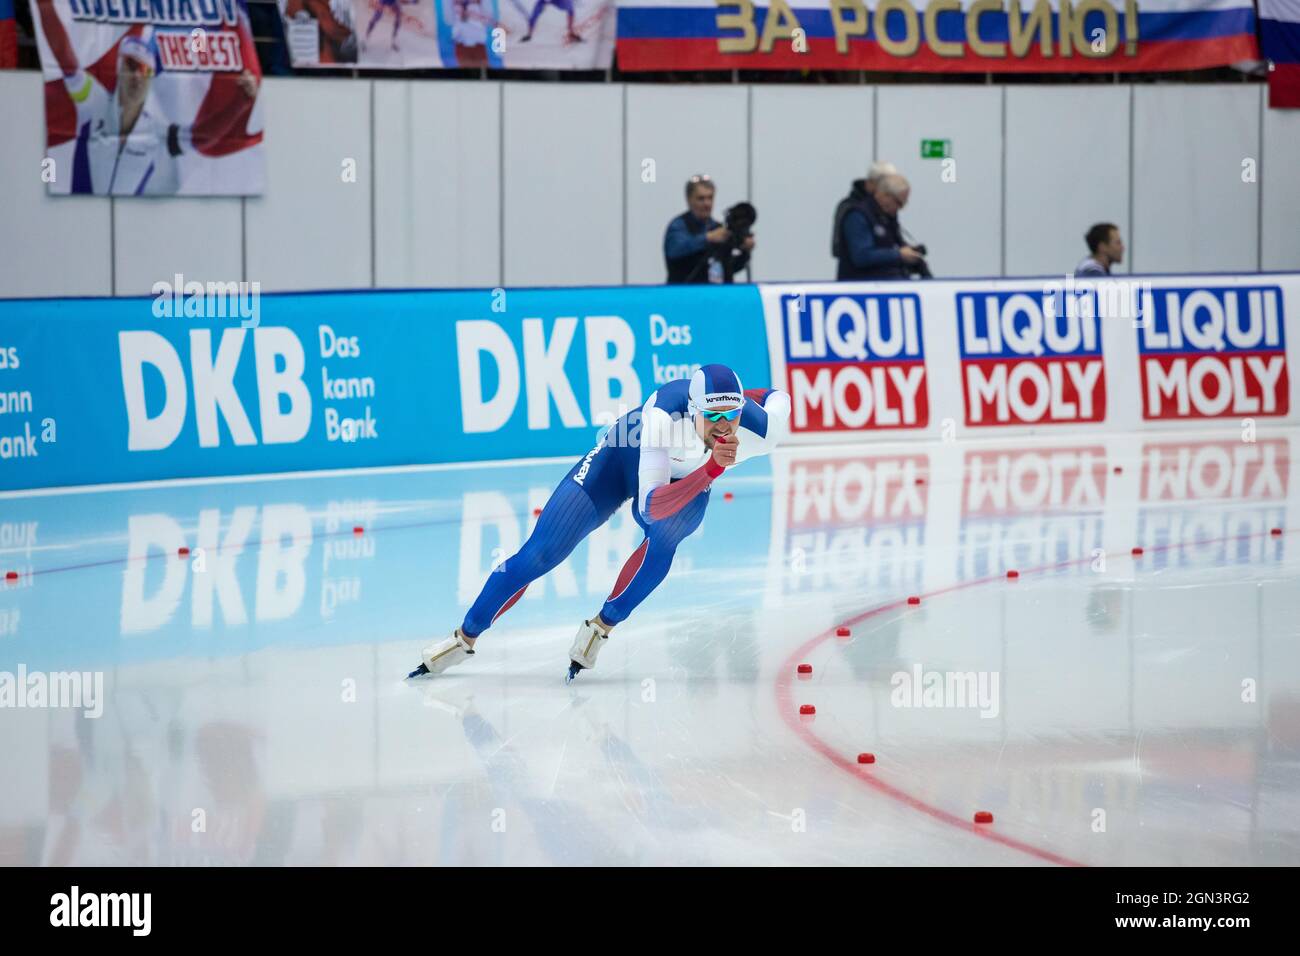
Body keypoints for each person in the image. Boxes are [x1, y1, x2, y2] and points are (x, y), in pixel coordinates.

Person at [407, 365, 792, 683]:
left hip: (686, 479)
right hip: (623, 457)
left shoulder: (760, 432)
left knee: (665, 540)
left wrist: (753, 399)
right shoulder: (662, 416)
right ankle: (464, 637)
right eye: (714, 417)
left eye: (733, 415)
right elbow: (652, 505)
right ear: (693, 411)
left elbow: (779, 398)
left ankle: (601, 627)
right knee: (542, 552)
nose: (725, 427)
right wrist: (711, 468)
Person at [832, 170, 926, 280]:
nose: (901, 209)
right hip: (863, 287)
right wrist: (899, 255)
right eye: (899, 203)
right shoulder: (858, 216)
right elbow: (862, 256)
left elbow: (892, 244)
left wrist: (910, 253)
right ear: (885, 195)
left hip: (891, 282)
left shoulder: (887, 217)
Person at [664, 175, 755, 284]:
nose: (707, 204)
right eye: (701, 199)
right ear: (689, 199)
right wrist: (708, 238)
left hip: (717, 295)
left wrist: (745, 252)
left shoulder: (718, 228)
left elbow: (729, 268)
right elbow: (674, 249)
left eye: (710, 198)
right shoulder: (679, 225)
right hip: (684, 295)